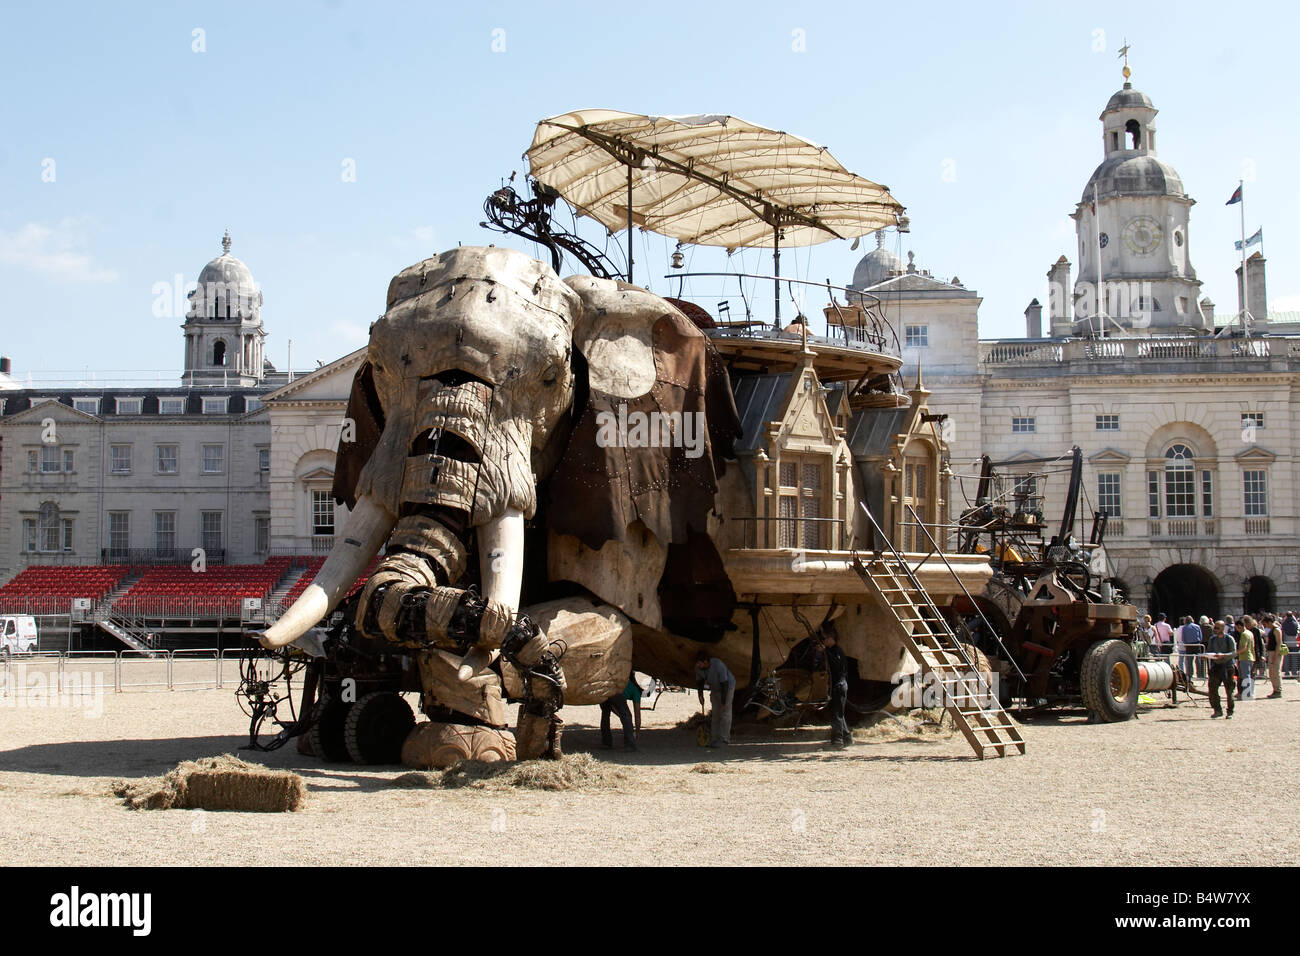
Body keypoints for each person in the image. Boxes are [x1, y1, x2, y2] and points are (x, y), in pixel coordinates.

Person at [695, 651, 735, 748]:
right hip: (715, 688)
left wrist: (723, 701)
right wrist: (700, 695)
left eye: (699, 663)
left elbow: (724, 683)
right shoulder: (698, 668)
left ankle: (724, 739)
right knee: (716, 714)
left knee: (725, 713)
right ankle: (714, 738)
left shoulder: (718, 665)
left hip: (727, 687)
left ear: (706, 662)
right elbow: (699, 682)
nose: (697, 665)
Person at [822, 626, 852, 748]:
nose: (823, 641)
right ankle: (847, 738)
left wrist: (825, 652)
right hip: (838, 685)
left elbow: (836, 664)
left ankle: (837, 741)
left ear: (830, 639)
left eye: (824, 639)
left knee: (837, 715)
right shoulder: (833, 650)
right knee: (838, 714)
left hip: (839, 686)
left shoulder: (837, 651)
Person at [599, 669, 639, 751]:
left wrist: (619, 714)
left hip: (606, 688)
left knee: (605, 714)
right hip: (616, 693)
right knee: (627, 716)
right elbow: (637, 714)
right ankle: (630, 744)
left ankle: (606, 743)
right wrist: (637, 731)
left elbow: (613, 707)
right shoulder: (636, 690)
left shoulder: (624, 682)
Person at [1204, 620, 1237, 719]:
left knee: (1229, 690)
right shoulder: (1212, 639)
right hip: (1216, 667)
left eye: (1217, 628)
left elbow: (1234, 653)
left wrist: (1223, 655)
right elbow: (1209, 651)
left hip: (1228, 667)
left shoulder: (1229, 639)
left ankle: (1230, 711)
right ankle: (1217, 710)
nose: (1215, 630)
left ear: (1223, 628)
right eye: (1215, 627)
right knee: (1212, 689)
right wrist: (1206, 656)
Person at [1261, 614, 1285, 699]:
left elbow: (1279, 643)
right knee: (1271, 672)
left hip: (1275, 653)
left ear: (1270, 622)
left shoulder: (1276, 630)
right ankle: (1275, 689)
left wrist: (1275, 655)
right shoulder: (1271, 630)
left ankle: (1278, 690)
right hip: (1271, 652)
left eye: (1266, 624)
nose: (1265, 626)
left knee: (1276, 672)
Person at [1234, 617, 1256, 701]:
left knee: (1245, 676)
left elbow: (1244, 647)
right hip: (1250, 657)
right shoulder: (1250, 633)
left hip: (1245, 657)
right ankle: (1249, 693)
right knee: (1249, 676)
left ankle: (1247, 695)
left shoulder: (1244, 634)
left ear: (1240, 626)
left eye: (1237, 627)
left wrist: (1235, 653)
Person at [1177, 615, 1201, 681]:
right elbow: (1200, 636)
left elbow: (1183, 638)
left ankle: (1190, 674)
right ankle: (1200, 674)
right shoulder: (1197, 626)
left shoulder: (1184, 628)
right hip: (1197, 644)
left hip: (1188, 645)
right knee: (1198, 660)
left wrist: (1185, 643)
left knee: (1189, 661)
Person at [1281, 611, 1299, 678]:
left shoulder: (1284, 624)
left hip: (1286, 643)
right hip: (1294, 643)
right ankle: (1294, 672)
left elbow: (1282, 632)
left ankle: (1287, 672)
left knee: (1286, 658)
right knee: (1294, 658)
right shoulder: (1295, 623)